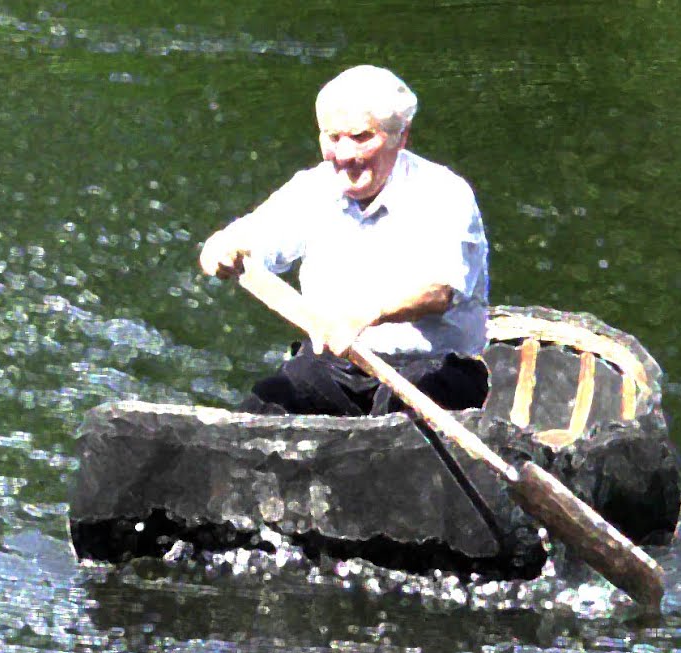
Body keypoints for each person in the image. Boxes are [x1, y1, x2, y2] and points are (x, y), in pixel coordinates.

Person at [198, 65, 491, 417]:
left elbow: (440, 291)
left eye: (362, 137)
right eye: (333, 138)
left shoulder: (444, 192)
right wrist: (220, 249)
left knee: (401, 416)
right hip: (336, 366)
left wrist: (366, 315)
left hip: (433, 366)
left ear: (401, 137)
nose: (345, 155)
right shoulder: (312, 188)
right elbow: (247, 238)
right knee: (271, 396)